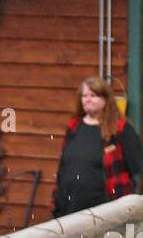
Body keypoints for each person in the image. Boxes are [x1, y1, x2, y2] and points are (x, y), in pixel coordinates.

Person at [53, 76, 143, 218]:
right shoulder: (74, 126)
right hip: (70, 208)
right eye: (84, 96)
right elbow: (63, 168)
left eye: (93, 95)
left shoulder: (120, 129)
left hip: (106, 211)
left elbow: (136, 167)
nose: (87, 99)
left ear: (106, 99)